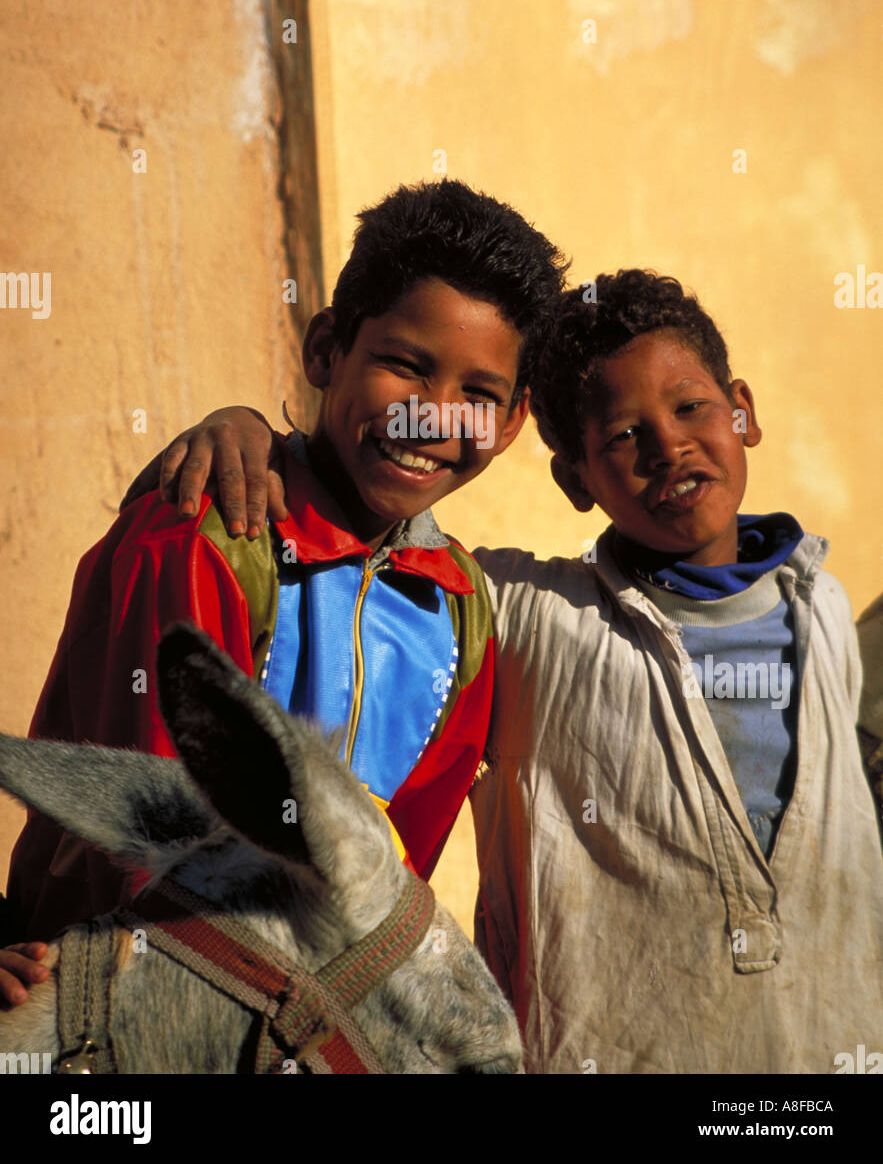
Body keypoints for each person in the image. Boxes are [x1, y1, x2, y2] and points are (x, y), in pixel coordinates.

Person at [88, 269, 883, 1073]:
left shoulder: (825, 609)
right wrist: (244, 430)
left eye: (689, 407)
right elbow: (385, 541)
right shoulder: (523, 613)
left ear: (741, 410)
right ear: (574, 479)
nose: (667, 446)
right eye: (620, 436)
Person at [0, 177, 567, 1007]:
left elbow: (395, 884)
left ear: (512, 421)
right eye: (403, 366)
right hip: (117, 1021)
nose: (430, 419)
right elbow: (152, 850)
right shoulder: (207, 535)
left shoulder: (461, 611)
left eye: (476, 395)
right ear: (325, 349)